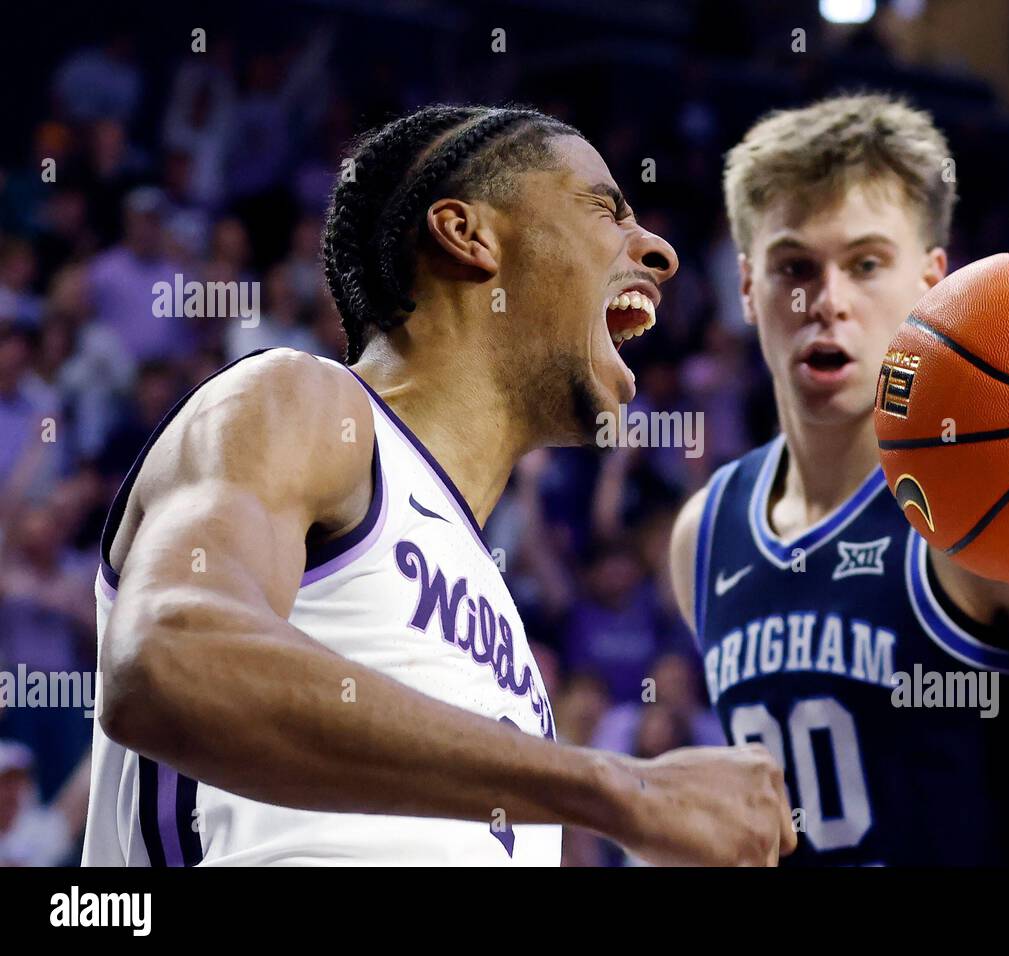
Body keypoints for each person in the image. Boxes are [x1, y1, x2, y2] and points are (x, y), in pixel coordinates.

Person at [84, 104, 794, 867]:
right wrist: (621, 790)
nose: (657, 250)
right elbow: (167, 660)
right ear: (468, 233)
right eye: (604, 209)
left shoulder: (510, 640)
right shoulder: (306, 402)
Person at [669, 94, 1009, 865]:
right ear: (748, 287)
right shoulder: (705, 534)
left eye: (865, 264)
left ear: (932, 282)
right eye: (795, 267)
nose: (829, 302)